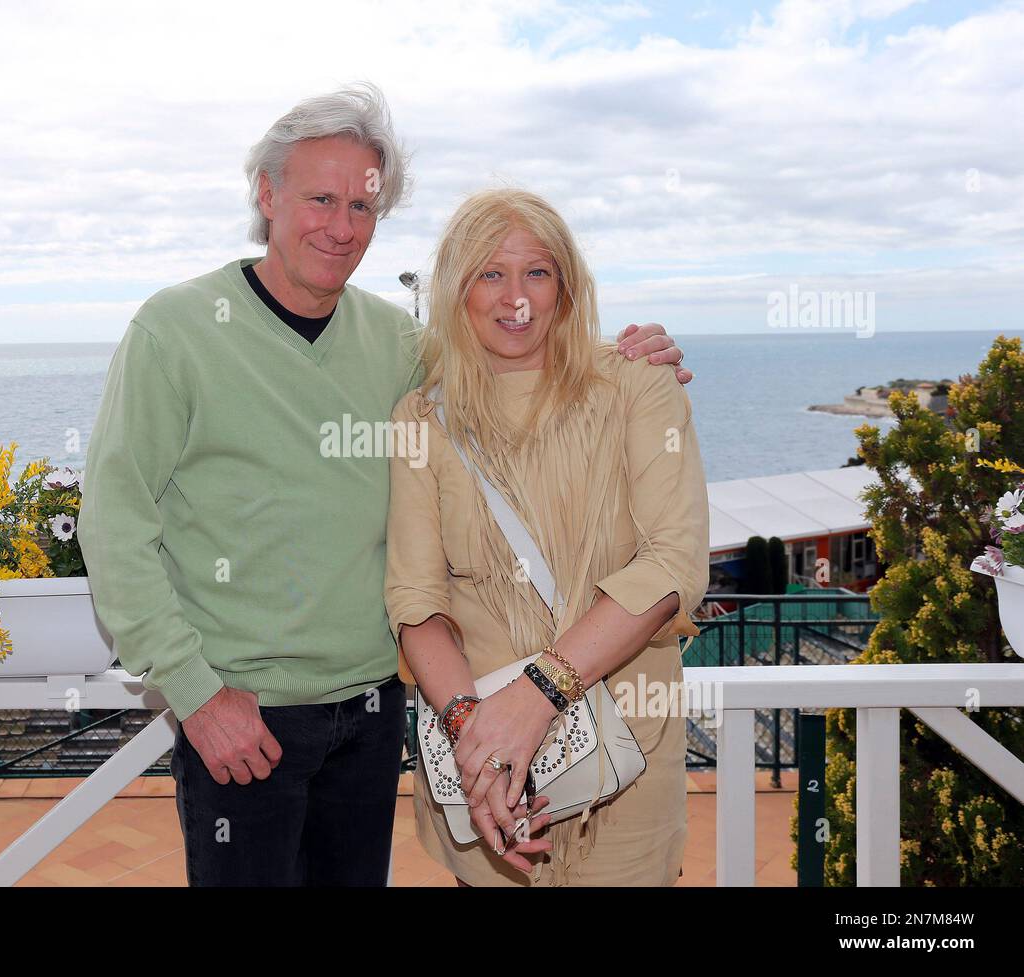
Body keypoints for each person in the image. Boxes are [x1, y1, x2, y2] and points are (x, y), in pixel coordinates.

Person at [78, 83, 692, 887]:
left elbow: (513, 336)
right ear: (267, 195)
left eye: (362, 207)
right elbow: (115, 525)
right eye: (320, 199)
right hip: (242, 719)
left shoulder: (398, 344)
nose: (341, 227)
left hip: (371, 720)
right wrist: (194, 693)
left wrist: (627, 354)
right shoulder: (177, 332)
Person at [385, 187, 710, 887]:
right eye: (489, 274)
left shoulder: (637, 388)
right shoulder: (421, 419)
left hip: (629, 761)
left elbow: (673, 562)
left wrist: (533, 701)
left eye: (537, 271)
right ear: (454, 289)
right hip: (489, 786)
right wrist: (480, 737)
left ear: (566, 285)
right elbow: (417, 602)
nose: (517, 298)